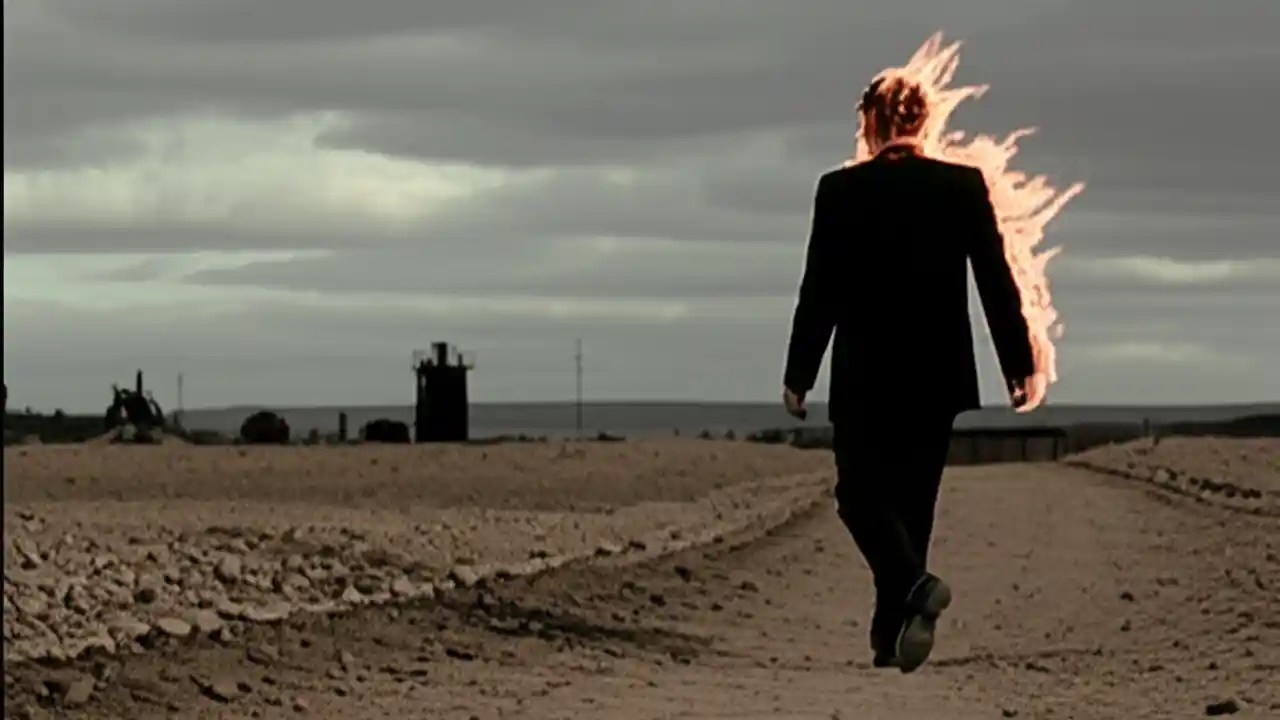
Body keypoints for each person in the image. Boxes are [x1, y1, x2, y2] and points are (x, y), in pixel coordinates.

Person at [781, 74, 1042, 673]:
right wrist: (1017, 364)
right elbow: (995, 280)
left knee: (858, 495)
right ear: (923, 123)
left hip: (864, 374)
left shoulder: (840, 191)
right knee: (911, 503)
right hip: (936, 373)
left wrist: (800, 373)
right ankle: (892, 635)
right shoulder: (961, 186)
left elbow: (817, 290)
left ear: (870, 123)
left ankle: (910, 595)